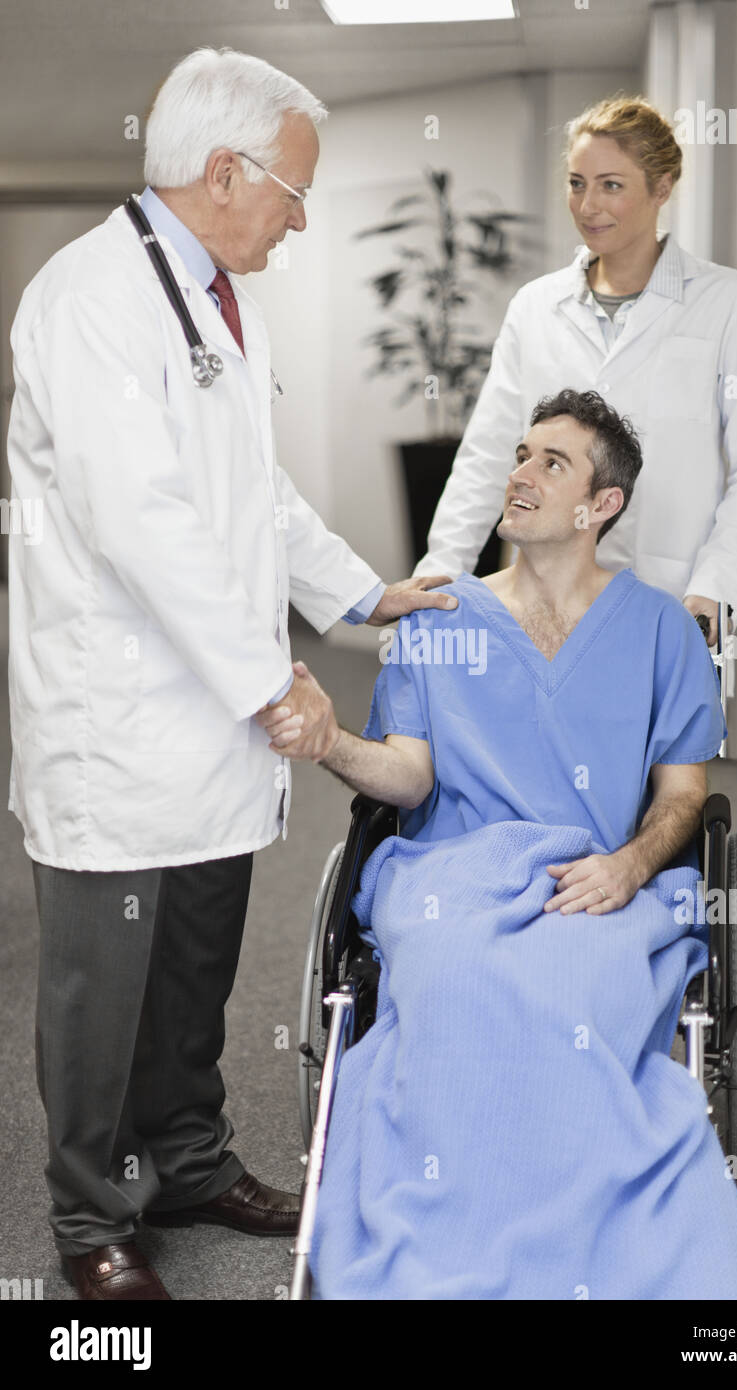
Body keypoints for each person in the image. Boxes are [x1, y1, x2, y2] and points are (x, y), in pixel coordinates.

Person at [6, 46, 455, 1302]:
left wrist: (365, 593)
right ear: (223, 172)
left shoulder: (217, 299)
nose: (301, 221)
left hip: (213, 716)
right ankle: (92, 1216)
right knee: (104, 981)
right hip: (122, 711)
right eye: (294, 193)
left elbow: (254, 496)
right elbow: (143, 520)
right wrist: (273, 682)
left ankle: (191, 1161)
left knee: (198, 952)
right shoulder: (89, 296)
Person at [258, 389, 737, 1300]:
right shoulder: (440, 615)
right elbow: (409, 779)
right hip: (452, 875)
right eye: (521, 455)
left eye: (552, 462)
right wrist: (330, 740)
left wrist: (629, 865)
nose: (520, 474)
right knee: (455, 975)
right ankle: (453, 1253)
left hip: (601, 882)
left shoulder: (664, 631)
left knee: (578, 985)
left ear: (600, 505)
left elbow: (685, 794)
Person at [414, 94, 737, 649]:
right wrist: (442, 565)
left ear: (661, 189)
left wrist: (717, 588)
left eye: (611, 184)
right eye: (576, 183)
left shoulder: (730, 303)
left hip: (674, 602)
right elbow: (487, 450)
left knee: (665, 736)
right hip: (547, 601)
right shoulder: (535, 306)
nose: (589, 205)